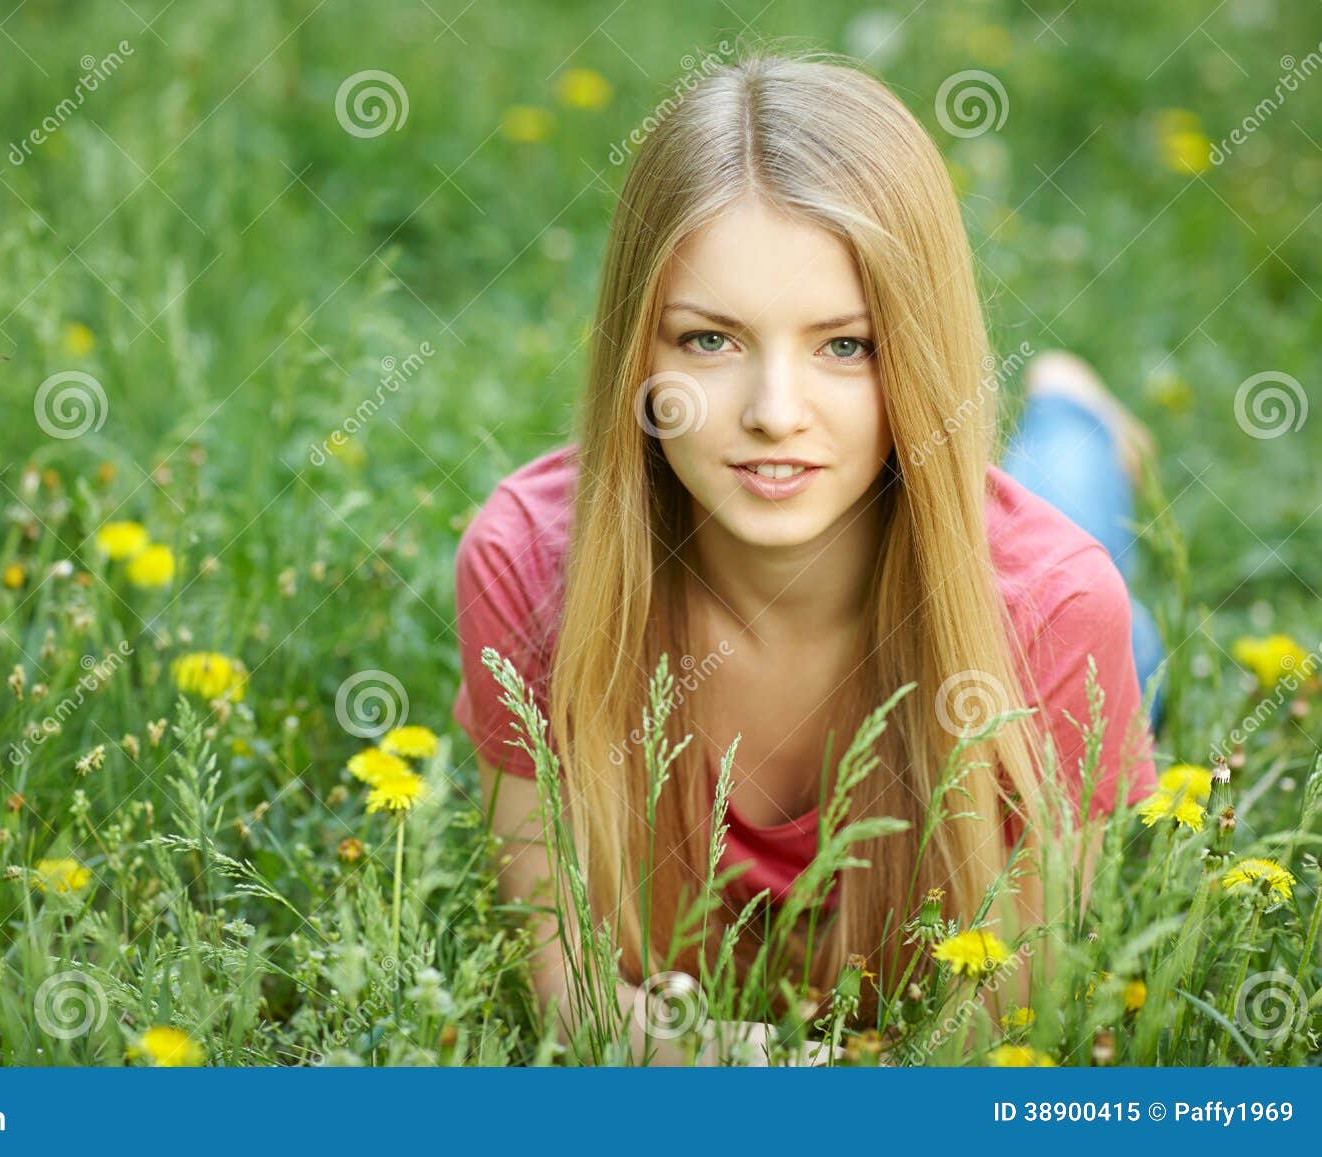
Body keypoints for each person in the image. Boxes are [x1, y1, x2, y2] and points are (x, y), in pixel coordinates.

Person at [450, 52, 1162, 1064]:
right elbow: (558, 969)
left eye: (846, 346)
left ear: (919, 352)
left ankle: (1078, 415)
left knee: (1070, 510)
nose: (773, 414)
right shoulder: (528, 562)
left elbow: (1007, 1017)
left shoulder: (1051, 606)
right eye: (708, 341)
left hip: (1053, 608)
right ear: (636, 357)